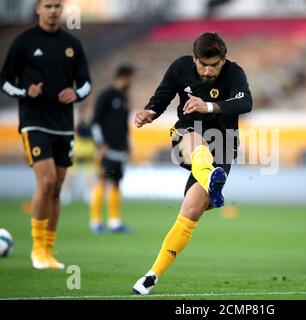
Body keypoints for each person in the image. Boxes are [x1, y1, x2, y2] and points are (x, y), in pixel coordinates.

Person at [132, 32, 252, 295]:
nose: (208, 71)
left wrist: (208, 107)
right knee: (194, 137)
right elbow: (161, 98)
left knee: (191, 212)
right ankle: (211, 179)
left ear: (224, 60)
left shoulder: (234, 73)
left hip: (222, 146)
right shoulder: (180, 67)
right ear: (194, 58)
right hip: (188, 134)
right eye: (203, 64)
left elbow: (245, 102)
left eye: (215, 65)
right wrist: (149, 112)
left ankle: (151, 275)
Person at [0, 0, 91, 269]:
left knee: (57, 189)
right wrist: (26, 92)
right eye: (48, 5)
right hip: (34, 122)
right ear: (38, 9)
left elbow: (86, 83)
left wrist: (76, 94)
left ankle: (48, 251)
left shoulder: (72, 44)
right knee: (48, 182)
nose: (53, 10)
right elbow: (5, 80)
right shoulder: (24, 42)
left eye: (57, 6)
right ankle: (37, 250)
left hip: (63, 125)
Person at [89, 65, 135, 234]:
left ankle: (115, 222)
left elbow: (124, 125)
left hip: (120, 150)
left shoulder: (124, 97)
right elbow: (95, 122)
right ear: (123, 77)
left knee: (116, 183)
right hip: (106, 150)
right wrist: (100, 144)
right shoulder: (105, 96)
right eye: (131, 79)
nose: (132, 82)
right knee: (101, 180)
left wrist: (128, 145)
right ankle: (95, 222)